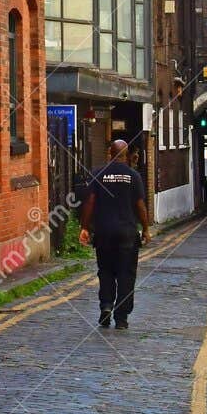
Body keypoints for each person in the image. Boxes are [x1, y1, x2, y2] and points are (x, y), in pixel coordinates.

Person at [78, 138, 151, 330]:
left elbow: (90, 202)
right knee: (126, 275)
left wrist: (85, 227)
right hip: (127, 234)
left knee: (106, 271)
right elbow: (140, 205)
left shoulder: (98, 174)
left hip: (104, 233)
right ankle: (121, 318)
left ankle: (106, 305)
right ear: (126, 155)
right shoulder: (133, 176)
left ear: (110, 153)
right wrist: (146, 228)